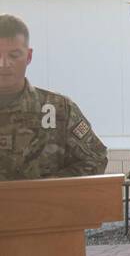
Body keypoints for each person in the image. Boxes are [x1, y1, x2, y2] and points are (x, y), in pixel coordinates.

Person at [0, 14, 107, 181]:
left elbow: (95, 158)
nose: (4, 64)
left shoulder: (58, 109)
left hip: (42, 206)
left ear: (28, 56)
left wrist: (53, 184)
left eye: (14, 55)